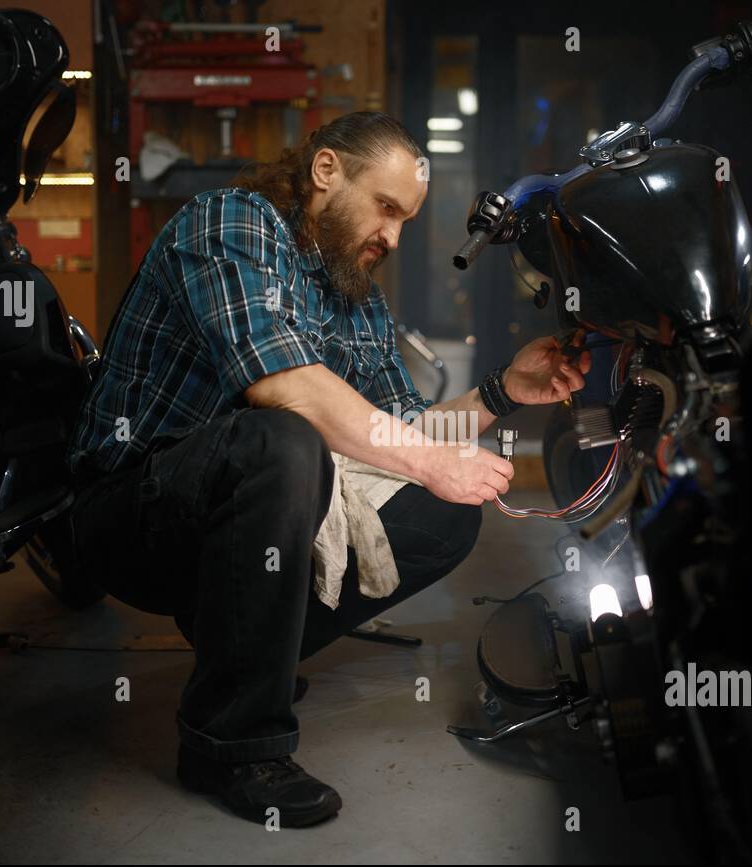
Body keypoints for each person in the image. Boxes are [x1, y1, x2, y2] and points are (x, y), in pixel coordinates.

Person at [67, 111, 590, 827]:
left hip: (235, 517)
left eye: (406, 221)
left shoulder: (356, 295)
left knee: (444, 513)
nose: (393, 236)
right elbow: (286, 388)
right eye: (386, 208)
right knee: (285, 439)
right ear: (325, 172)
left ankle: (252, 652)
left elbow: (401, 430)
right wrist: (434, 460)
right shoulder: (234, 223)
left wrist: (505, 392)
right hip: (131, 511)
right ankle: (231, 744)